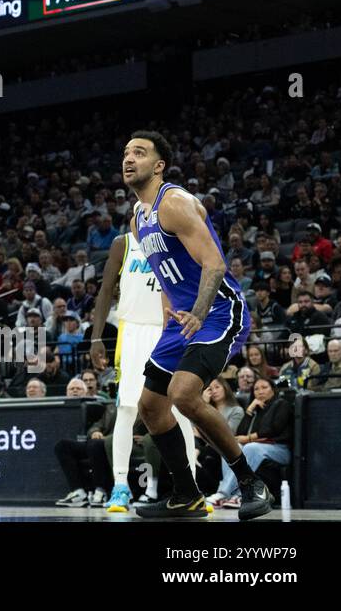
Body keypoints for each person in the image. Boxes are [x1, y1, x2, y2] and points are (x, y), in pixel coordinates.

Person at [122, 132, 271, 520]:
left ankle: (250, 482)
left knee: (184, 394)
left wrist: (199, 313)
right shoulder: (138, 218)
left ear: (158, 166)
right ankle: (186, 496)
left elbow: (215, 264)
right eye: (125, 153)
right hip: (182, 319)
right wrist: (169, 311)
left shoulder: (175, 202)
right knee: (151, 407)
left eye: (139, 153)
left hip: (218, 310)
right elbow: (164, 274)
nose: (128, 159)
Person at [89, 228, 196, 514]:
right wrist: (96, 337)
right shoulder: (123, 243)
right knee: (127, 408)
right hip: (133, 330)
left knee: (181, 408)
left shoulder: (177, 238)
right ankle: (120, 486)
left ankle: (191, 489)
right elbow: (105, 290)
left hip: (171, 330)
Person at [209, 378, 292, 509]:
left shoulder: (281, 404)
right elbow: (240, 432)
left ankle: (225, 493)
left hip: (279, 449)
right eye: (256, 389)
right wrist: (249, 411)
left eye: (264, 387)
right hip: (258, 447)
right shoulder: (257, 407)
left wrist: (248, 438)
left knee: (251, 448)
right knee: (230, 448)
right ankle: (234, 495)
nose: (260, 391)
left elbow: (274, 429)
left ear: (273, 389)